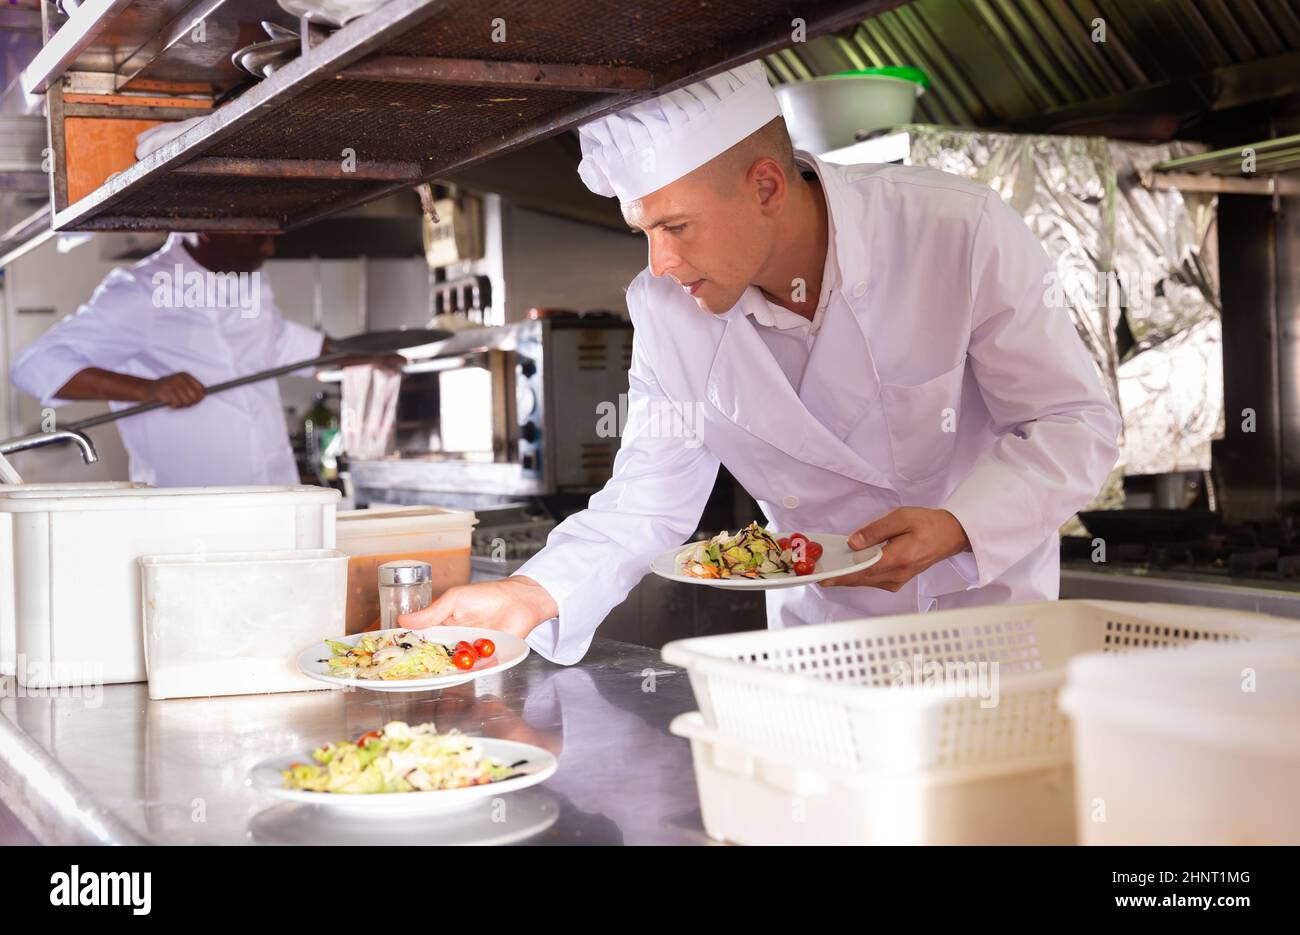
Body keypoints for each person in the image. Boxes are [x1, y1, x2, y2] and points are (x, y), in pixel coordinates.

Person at [402, 61, 1122, 664]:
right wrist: (531, 593)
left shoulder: (955, 231)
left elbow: (1073, 422)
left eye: (676, 226)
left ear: (768, 187)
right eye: (643, 231)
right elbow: (647, 498)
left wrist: (959, 524)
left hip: (989, 635)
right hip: (826, 650)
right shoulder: (664, 311)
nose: (661, 262)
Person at [10, 232, 393, 486]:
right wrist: (148, 388)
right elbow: (36, 366)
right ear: (206, 228)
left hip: (275, 493)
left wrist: (356, 355)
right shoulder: (138, 291)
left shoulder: (247, 276)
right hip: (189, 507)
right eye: (257, 238)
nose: (269, 249)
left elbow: (274, 342)